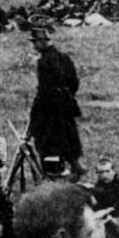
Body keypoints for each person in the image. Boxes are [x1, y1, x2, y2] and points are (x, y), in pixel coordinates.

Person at [27, 27, 83, 178]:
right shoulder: (64, 57)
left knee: (47, 142)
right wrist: (66, 97)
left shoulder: (44, 61)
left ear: (42, 42)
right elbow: (74, 83)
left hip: (49, 109)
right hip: (66, 107)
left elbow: (44, 90)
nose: (34, 46)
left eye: (35, 43)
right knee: (68, 137)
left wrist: (35, 114)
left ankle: (53, 173)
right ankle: (74, 164)